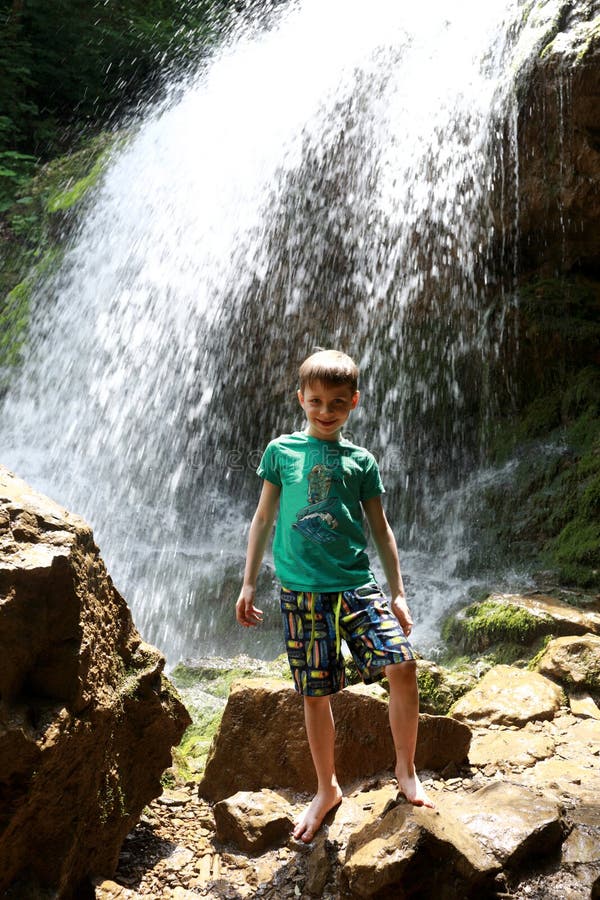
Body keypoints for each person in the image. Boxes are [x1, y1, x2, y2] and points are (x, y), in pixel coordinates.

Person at [235, 348, 433, 844]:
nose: (326, 411)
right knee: (315, 692)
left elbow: (382, 530)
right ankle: (327, 789)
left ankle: (405, 770)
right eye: (317, 401)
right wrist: (248, 582)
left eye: (337, 403)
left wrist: (399, 593)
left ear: (354, 402)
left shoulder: (359, 461)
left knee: (402, 664)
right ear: (300, 397)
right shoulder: (281, 452)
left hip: (356, 585)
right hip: (301, 593)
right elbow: (262, 518)